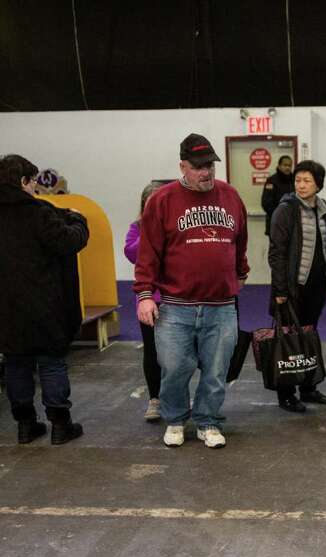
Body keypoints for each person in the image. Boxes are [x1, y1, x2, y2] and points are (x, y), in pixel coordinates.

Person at [134, 133, 249, 449]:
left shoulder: (230, 196)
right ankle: (174, 419)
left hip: (221, 304)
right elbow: (148, 253)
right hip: (175, 305)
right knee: (174, 369)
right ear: (182, 166)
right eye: (198, 166)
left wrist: (240, 271)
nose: (206, 172)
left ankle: (207, 421)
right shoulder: (162, 200)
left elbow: (240, 240)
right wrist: (144, 294)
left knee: (216, 371)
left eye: (210, 165)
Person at [0, 154, 90, 445]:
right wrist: (78, 219)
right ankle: (61, 426)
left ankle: (26, 426)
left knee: (16, 364)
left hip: (4, 306)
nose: (36, 189)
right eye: (34, 183)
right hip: (43, 303)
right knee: (51, 362)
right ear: (24, 181)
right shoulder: (38, 213)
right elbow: (68, 242)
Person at [268, 159, 326, 412]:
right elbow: (276, 253)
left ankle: (308, 388)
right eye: (298, 180)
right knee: (288, 339)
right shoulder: (285, 210)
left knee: (308, 338)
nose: (301, 185)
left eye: (307, 180)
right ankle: (286, 394)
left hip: (316, 287)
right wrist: (280, 290)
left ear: (318, 184)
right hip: (292, 288)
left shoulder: (323, 207)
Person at [124, 180, 168, 422]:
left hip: (175, 299)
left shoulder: (176, 226)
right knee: (152, 351)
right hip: (149, 299)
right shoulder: (137, 227)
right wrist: (151, 230)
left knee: (179, 354)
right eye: (150, 205)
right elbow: (132, 253)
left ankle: (175, 397)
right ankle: (155, 399)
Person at [260, 155, 295, 236]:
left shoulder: (294, 180)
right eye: (285, 165)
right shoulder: (271, 181)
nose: (287, 168)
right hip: (275, 223)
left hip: (292, 223)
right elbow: (266, 204)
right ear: (279, 166)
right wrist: (281, 215)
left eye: (289, 165)